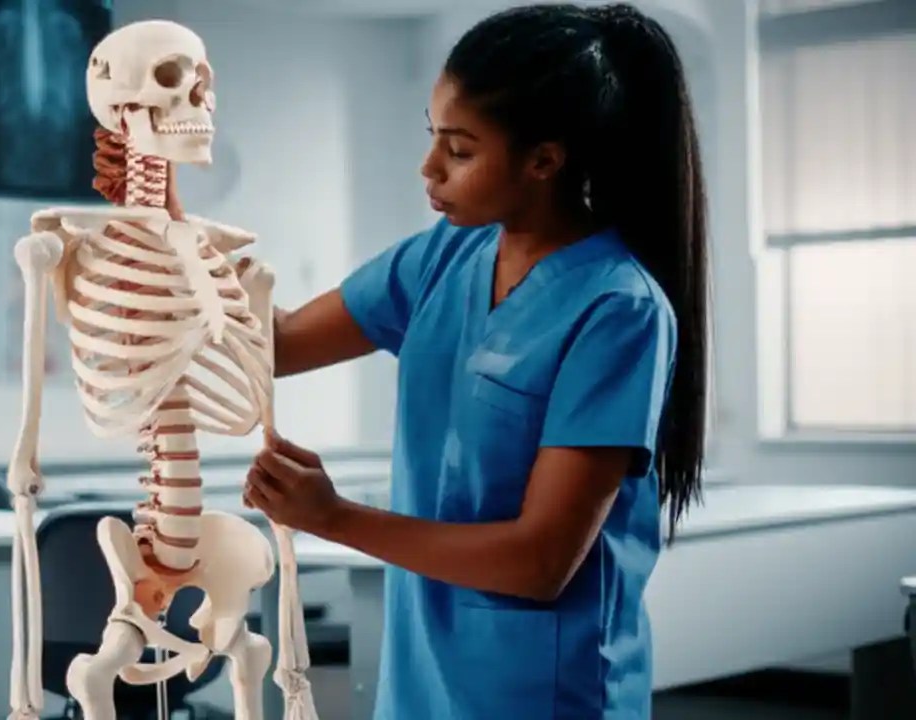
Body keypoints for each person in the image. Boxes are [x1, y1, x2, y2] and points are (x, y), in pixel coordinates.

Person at [240, 3, 710, 718]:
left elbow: (540, 563)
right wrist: (165, 228)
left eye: (459, 150)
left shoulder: (618, 309)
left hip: (541, 690)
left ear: (544, 160)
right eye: (433, 139)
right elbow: (277, 343)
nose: (429, 168)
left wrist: (332, 516)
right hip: (421, 679)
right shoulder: (447, 253)